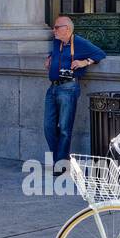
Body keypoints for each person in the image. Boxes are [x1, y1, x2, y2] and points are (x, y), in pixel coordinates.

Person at [44, 15, 107, 168]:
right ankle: (60, 160)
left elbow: (100, 53)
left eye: (57, 27)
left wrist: (84, 62)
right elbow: (58, 55)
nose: (54, 30)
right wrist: (49, 58)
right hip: (53, 88)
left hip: (69, 88)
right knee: (49, 127)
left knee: (65, 128)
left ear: (67, 29)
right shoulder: (56, 42)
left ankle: (60, 164)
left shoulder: (78, 42)